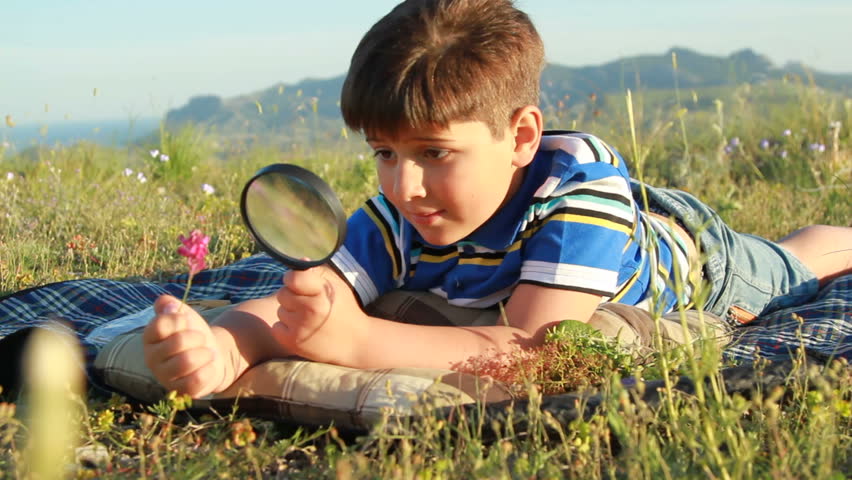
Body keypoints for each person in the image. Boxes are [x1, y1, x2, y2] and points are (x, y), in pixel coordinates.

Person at [142, 0, 852, 398]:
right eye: (384, 153)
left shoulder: (578, 194)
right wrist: (224, 344)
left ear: (521, 136)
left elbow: (540, 353)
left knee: (799, 262)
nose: (403, 185)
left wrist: (355, 340)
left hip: (695, 258)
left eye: (434, 153)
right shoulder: (399, 213)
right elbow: (303, 305)